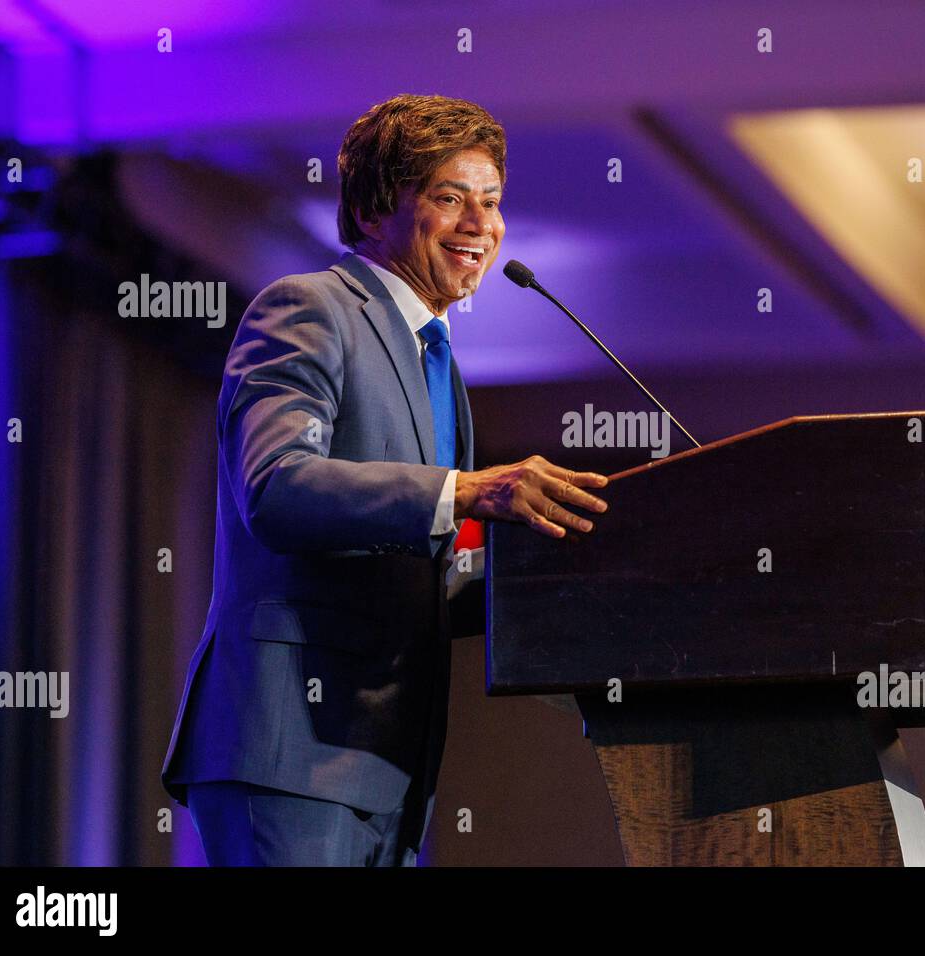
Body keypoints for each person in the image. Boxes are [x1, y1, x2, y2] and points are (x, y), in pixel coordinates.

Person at [160, 94, 608, 866]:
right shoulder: (309, 311)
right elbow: (276, 485)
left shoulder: (439, 362)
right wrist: (467, 492)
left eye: (492, 202)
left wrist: (568, 574)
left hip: (390, 762)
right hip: (293, 748)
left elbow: (413, 570)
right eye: (449, 198)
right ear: (373, 211)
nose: (481, 224)